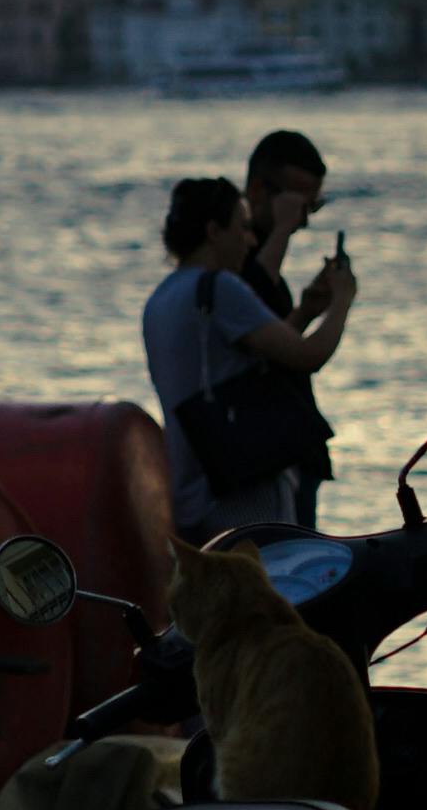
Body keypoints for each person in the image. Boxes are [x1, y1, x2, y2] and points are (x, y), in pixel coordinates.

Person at [142, 163, 356, 545]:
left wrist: (307, 309)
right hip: (245, 486)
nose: (250, 240)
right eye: (240, 227)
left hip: (192, 483)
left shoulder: (162, 298)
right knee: (273, 594)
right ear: (212, 231)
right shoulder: (222, 287)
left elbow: (247, 363)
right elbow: (308, 355)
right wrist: (343, 300)